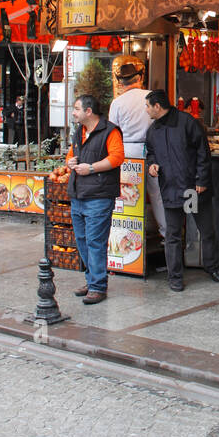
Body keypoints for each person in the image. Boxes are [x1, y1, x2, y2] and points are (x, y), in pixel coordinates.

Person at [145, 89, 219, 292]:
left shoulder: (187, 122)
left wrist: (201, 180)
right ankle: (175, 277)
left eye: (147, 106)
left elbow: (202, 151)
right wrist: (151, 166)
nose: (146, 110)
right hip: (170, 188)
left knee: (205, 230)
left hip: (192, 188)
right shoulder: (153, 130)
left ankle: (212, 267)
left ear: (157, 106)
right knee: (172, 234)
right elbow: (151, 153)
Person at [63, 94, 124, 305]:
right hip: (78, 193)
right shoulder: (78, 132)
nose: (73, 112)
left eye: (76, 109)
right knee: (82, 240)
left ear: (89, 111)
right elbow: (71, 154)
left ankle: (98, 286)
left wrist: (91, 168)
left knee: (95, 242)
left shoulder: (110, 131)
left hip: (99, 195)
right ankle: (92, 280)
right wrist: (70, 162)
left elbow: (117, 157)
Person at [108, 56, 167, 238]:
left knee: (130, 196)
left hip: (127, 153)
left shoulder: (117, 103)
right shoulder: (151, 98)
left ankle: (130, 237)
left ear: (120, 82)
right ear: (139, 78)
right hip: (154, 153)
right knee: (158, 196)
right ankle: (167, 237)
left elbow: (112, 133)